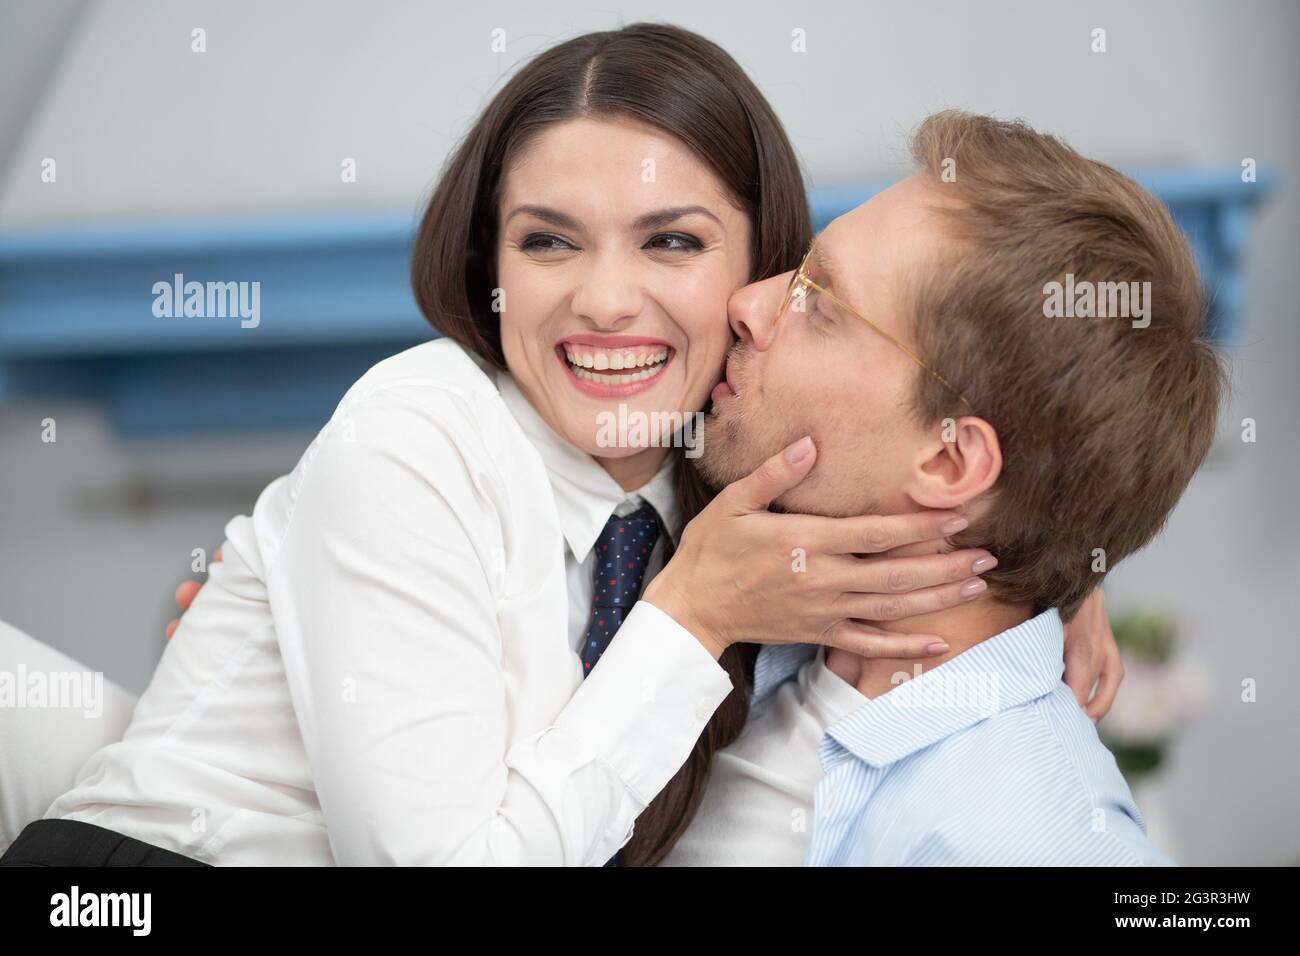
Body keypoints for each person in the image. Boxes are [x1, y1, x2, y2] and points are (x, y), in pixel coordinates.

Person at [0, 29, 1118, 868]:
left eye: (671, 240)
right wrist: (695, 617)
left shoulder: (726, 476)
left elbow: (946, 459)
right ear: (488, 263)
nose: (605, 302)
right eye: (547, 241)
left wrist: (1055, 575)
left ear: (756, 268)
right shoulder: (419, 430)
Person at [656, 111, 1223, 865]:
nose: (748, 303)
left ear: (951, 464)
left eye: (820, 303)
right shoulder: (755, 621)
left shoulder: (1026, 839)